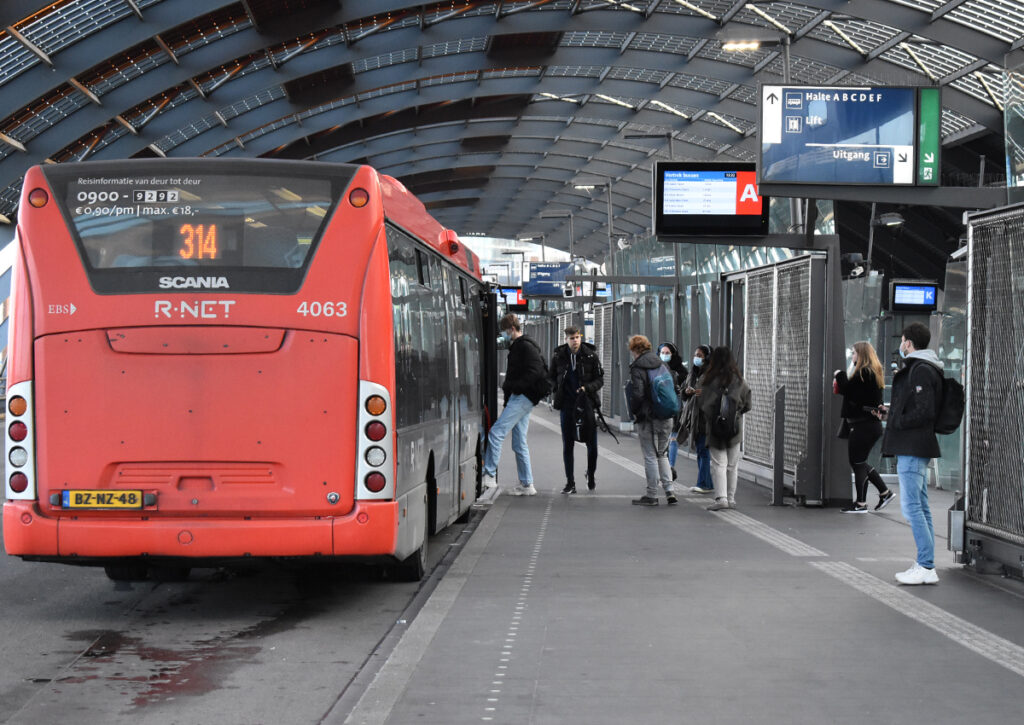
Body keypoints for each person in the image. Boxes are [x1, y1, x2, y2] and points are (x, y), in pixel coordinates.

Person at [879, 322, 944, 585]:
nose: (901, 345)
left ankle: (926, 565)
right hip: (916, 445)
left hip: (912, 446)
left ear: (908, 343)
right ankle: (925, 563)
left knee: (911, 507)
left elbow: (924, 411)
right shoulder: (926, 368)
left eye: (903, 341)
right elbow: (917, 407)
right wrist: (890, 412)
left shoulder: (920, 370)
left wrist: (897, 421)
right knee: (921, 506)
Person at [480, 313, 549, 496]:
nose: (502, 334)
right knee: (519, 442)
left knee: (496, 433)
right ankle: (527, 484)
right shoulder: (523, 345)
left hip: (522, 398)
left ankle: (489, 474)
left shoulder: (524, 347)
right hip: (523, 398)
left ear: (511, 329)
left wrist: (516, 387)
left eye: (504, 330)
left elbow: (535, 371)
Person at [833, 341, 894, 513]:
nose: (852, 356)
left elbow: (848, 390)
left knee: (857, 462)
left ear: (861, 355)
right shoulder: (872, 373)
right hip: (869, 425)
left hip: (863, 425)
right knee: (860, 462)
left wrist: (839, 374)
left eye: (853, 353)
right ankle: (884, 492)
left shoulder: (863, 373)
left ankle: (861, 504)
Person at [550, 325, 605, 494]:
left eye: (577, 337)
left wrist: (587, 388)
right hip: (567, 405)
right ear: (566, 339)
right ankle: (570, 482)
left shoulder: (590, 355)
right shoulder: (559, 357)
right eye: (572, 338)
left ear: (580, 337)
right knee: (568, 444)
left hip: (586, 404)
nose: (575, 341)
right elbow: (551, 377)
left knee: (592, 445)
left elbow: (600, 379)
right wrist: (556, 390)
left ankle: (591, 474)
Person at [698, 346, 752, 511]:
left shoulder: (706, 380)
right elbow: (747, 404)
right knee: (732, 465)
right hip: (734, 429)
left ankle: (721, 499)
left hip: (714, 428)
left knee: (718, 463)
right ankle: (731, 498)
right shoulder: (740, 380)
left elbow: (702, 404)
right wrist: (735, 414)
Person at [627, 335, 677, 506]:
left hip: (648, 417)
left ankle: (652, 494)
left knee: (650, 455)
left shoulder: (638, 367)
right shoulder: (662, 363)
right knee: (662, 454)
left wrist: (634, 411)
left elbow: (638, 394)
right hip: (666, 415)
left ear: (634, 350)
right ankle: (670, 491)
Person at [681, 344, 713, 494]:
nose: (696, 358)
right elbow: (683, 392)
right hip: (694, 415)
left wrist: (703, 393)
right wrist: (687, 392)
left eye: (700, 355)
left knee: (703, 450)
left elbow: (716, 394)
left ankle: (704, 483)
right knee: (701, 450)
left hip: (705, 417)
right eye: (695, 355)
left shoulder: (712, 375)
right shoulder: (692, 373)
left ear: (707, 357)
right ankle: (706, 482)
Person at [657, 342, 688, 482]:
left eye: (667, 353)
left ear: (673, 354)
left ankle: (670, 468)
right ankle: (664, 469)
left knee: (673, 439)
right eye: (662, 352)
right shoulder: (655, 368)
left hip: (675, 408)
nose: (664, 355)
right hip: (659, 408)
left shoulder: (681, 372)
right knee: (662, 441)